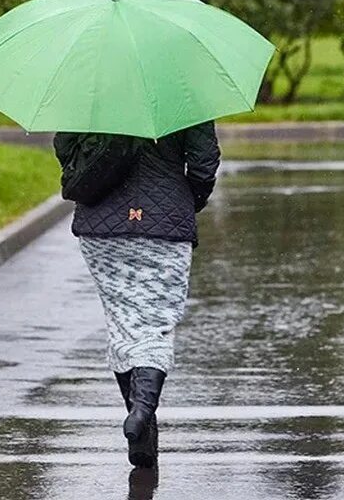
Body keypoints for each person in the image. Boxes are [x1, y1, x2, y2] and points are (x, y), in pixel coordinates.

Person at [53, 121, 221, 468]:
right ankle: (143, 410)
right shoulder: (186, 86)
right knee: (154, 325)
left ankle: (141, 431)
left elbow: (65, 147)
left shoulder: (91, 84)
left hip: (101, 226)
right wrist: (185, 201)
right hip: (166, 226)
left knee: (123, 323)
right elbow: (204, 164)